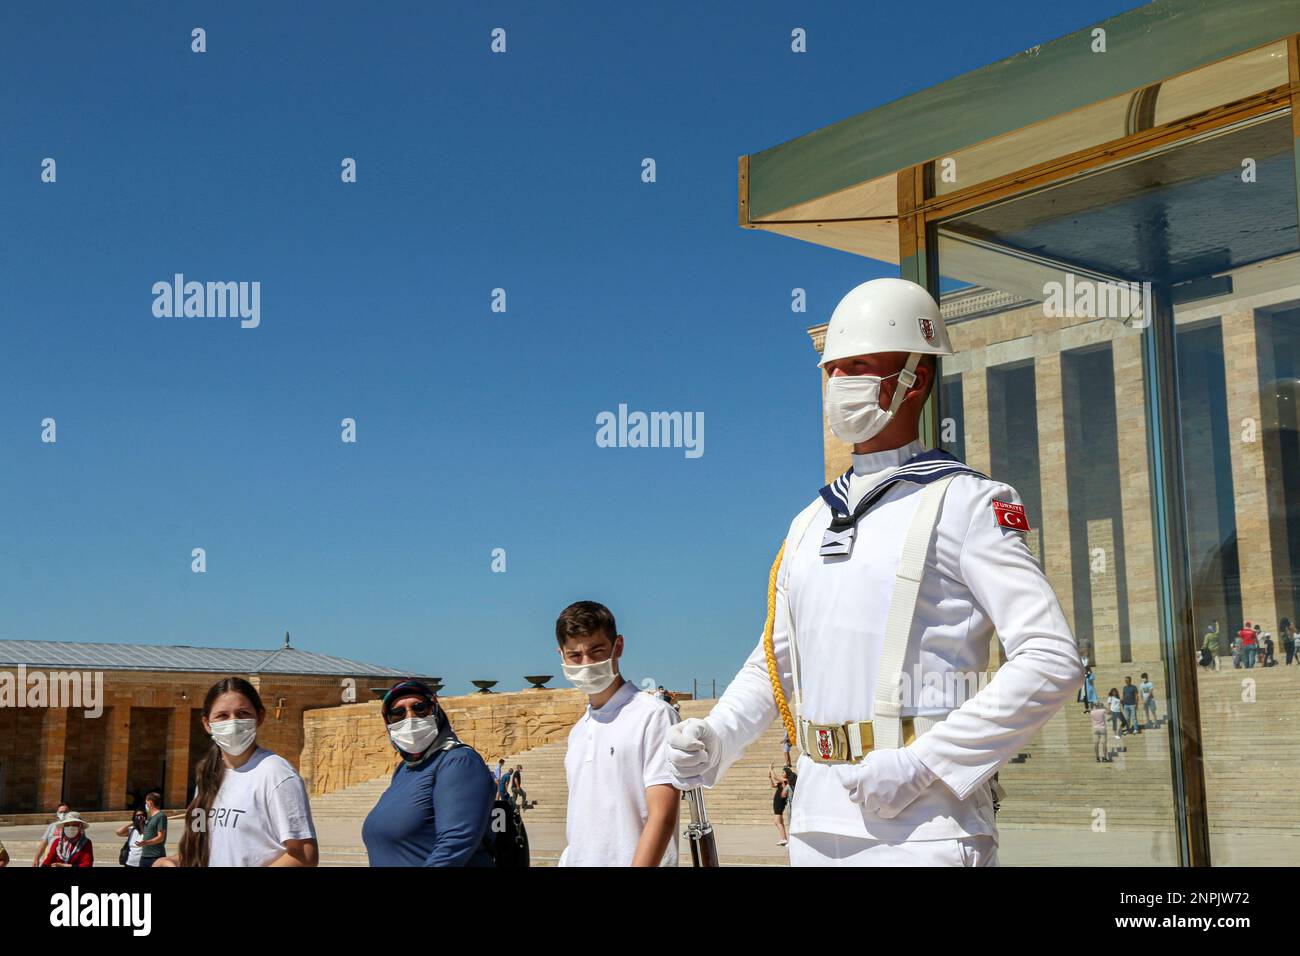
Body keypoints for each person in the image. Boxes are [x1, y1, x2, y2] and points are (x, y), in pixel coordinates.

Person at [664, 279, 1082, 866]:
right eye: (832, 369)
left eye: (858, 365)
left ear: (917, 378)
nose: (839, 382)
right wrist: (717, 736)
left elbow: (1051, 657)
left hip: (926, 826)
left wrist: (924, 763)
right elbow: (776, 665)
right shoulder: (808, 522)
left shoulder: (968, 503)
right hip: (814, 821)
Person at [555, 601, 679, 866]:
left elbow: (662, 815)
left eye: (596, 651)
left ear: (617, 647)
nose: (586, 663)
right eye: (575, 655)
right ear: (561, 656)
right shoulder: (578, 731)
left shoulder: (653, 715)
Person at [154, 676, 318, 867]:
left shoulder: (276, 774)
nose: (233, 722)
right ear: (207, 723)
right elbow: (202, 845)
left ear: (260, 717)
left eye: (242, 713)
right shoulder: (207, 777)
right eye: (222, 716)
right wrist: (172, 861)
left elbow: (305, 855)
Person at [362, 679, 496, 866]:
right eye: (398, 713)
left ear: (435, 711)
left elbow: (454, 843)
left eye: (419, 708)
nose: (410, 718)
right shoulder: (405, 769)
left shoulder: (459, 761)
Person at [769, 762, 791, 846]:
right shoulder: (782, 782)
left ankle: (784, 839)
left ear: (787, 774)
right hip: (777, 802)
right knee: (779, 821)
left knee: (777, 821)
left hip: (780, 802)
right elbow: (772, 785)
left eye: (783, 772)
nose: (782, 773)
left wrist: (771, 769)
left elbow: (775, 776)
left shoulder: (786, 781)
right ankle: (784, 839)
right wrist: (770, 778)